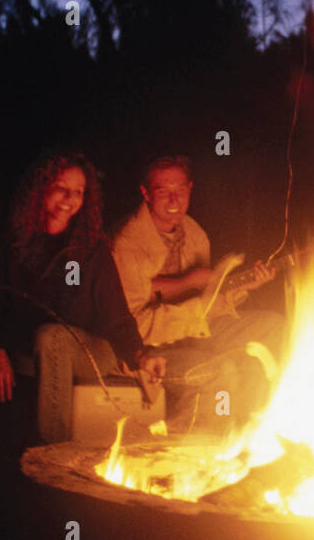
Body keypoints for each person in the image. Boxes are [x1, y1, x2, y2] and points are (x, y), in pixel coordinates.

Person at [0, 151, 164, 445]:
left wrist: (140, 355)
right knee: (41, 343)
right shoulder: (14, 244)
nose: (69, 198)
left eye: (78, 192)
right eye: (61, 188)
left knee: (51, 337)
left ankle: (56, 452)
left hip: (91, 350)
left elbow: (115, 316)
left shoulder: (91, 250)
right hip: (33, 347)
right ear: (40, 189)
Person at [110, 155, 283, 431]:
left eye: (180, 190)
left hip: (196, 333)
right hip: (153, 350)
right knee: (217, 370)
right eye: (162, 191)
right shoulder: (126, 243)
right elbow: (134, 327)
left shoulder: (195, 234)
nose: (173, 200)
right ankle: (202, 448)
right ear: (145, 193)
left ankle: (257, 426)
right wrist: (189, 282)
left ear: (190, 188)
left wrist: (244, 286)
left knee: (272, 326)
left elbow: (208, 301)